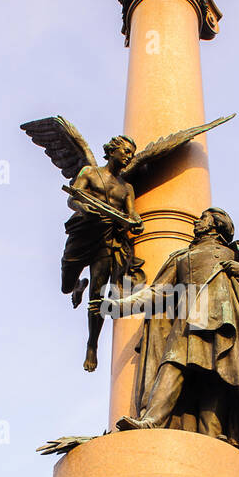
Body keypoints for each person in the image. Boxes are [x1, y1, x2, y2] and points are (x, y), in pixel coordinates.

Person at [115, 208, 239, 451]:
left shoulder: (238, 254)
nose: (197, 221)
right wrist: (118, 306)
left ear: (217, 224)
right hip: (189, 319)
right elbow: (157, 291)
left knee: (218, 377)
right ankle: (151, 421)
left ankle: (212, 437)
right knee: (172, 363)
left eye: (204, 218)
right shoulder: (181, 257)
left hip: (227, 321)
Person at [61, 134, 144, 372]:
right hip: (83, 233)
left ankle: (92, 345)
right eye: (125, 151)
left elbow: (132, 214)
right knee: (66, 286)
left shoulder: (126, 188)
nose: (128, 156)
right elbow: (72, 198)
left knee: (97, 297)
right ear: (112, 150)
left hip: (106, 241)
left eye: (131, 153)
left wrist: (136, 223)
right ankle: (77, 285)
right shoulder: (89, 172)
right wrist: (83, 207)